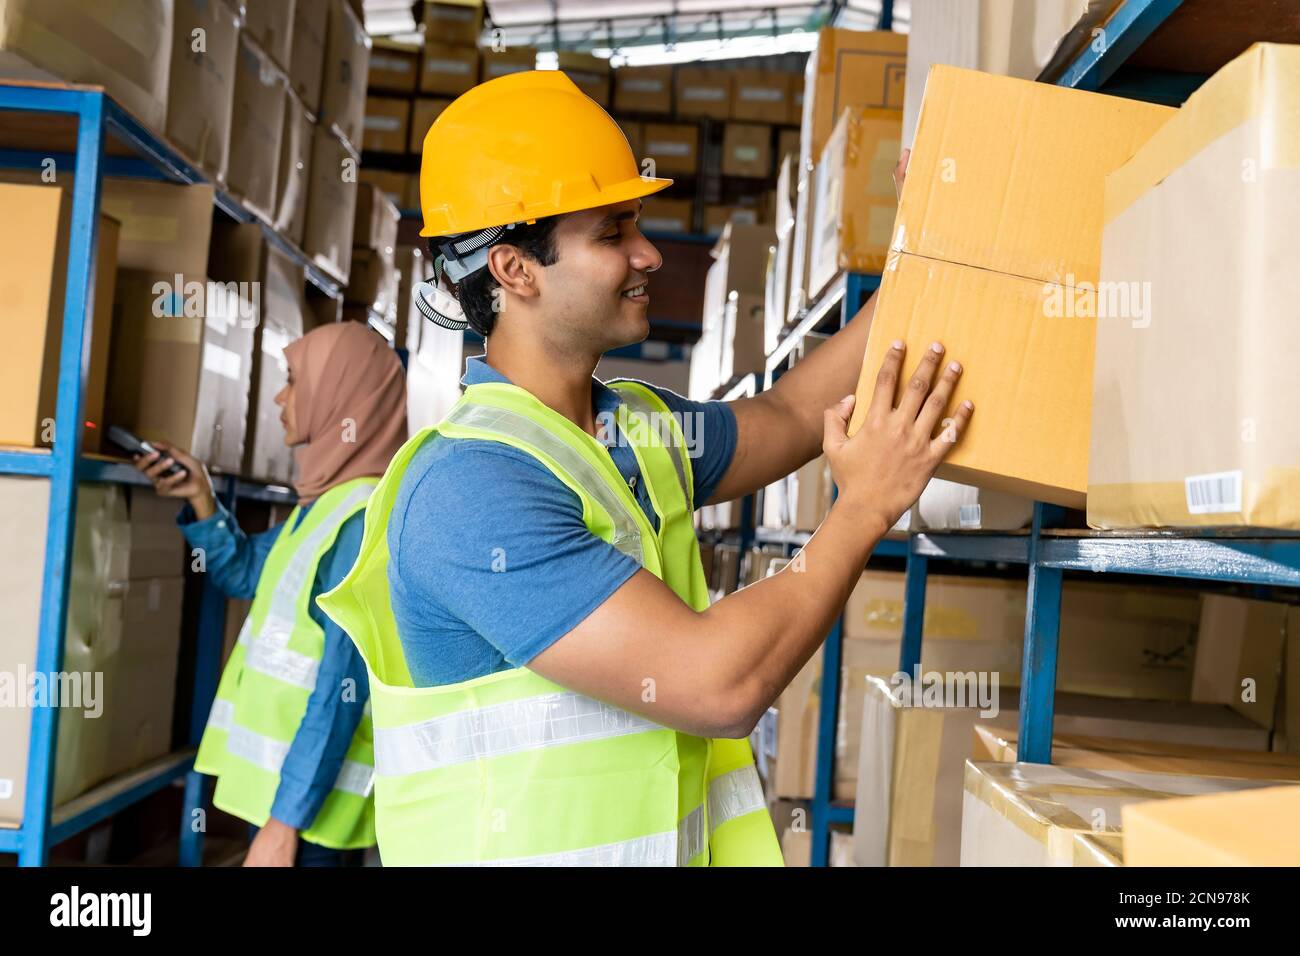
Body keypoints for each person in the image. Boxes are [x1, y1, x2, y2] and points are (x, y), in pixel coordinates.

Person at [320, 71, 972, 866]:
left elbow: (795, 415)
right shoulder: (471, 490)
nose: (649, 254)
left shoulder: (635, 428)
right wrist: (863, 506)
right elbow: (716, 686)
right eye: (612, 232)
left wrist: (925, 256)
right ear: (514, 271)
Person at [135, 322, 407, 866]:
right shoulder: (323, 507)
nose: (280, 396)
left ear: (340, 396)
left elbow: (339, 695)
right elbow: (244, 575)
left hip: (312, 827)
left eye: (293, 380)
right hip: (294, 808)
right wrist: (203, 499)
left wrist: (283, 829)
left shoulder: (359, 524)